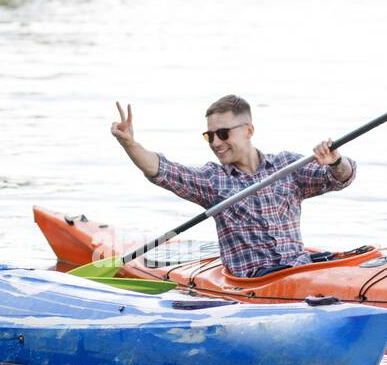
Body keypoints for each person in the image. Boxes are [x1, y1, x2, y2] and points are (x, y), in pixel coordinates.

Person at [109, 94, 355, 279]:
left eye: (223, 134)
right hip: (255, 281)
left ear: (249, 130)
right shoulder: (212, 181)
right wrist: (130, 144)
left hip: (302, 272)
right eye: (209, 136)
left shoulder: (287, 165)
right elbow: (161, 170)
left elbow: (341, 178)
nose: (215, 143)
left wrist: (335, 161)